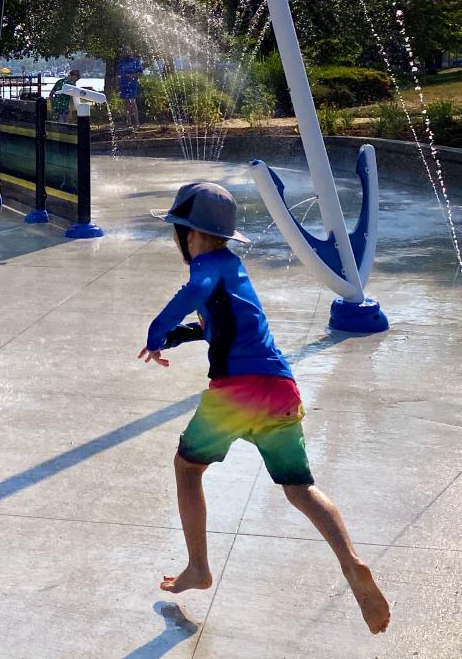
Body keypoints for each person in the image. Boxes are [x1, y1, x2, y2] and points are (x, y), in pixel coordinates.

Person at [137, 182, 390, 636]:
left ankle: (198, 567)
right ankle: (351, 561)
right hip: (280, 390)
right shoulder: (234, 271)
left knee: (187, 468)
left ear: (187, 233)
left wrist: (157, 331)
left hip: (236, 393)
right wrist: (182, 336)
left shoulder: (206, 266)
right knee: (300, 489)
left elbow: (191, 294)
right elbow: (226, 328)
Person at [117, 48, 143, 129]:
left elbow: (140, 73)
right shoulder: (121, 62)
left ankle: (136, 122)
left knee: (133, 101)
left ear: (131, 52)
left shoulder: (135, 61)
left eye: (128, 51)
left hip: (132, 84)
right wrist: (117, 84)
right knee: (126, 102)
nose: (127, 53)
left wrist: (133, 76)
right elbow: (118, 74)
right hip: (123, 83)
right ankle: (128, 122)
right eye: (125, 51)